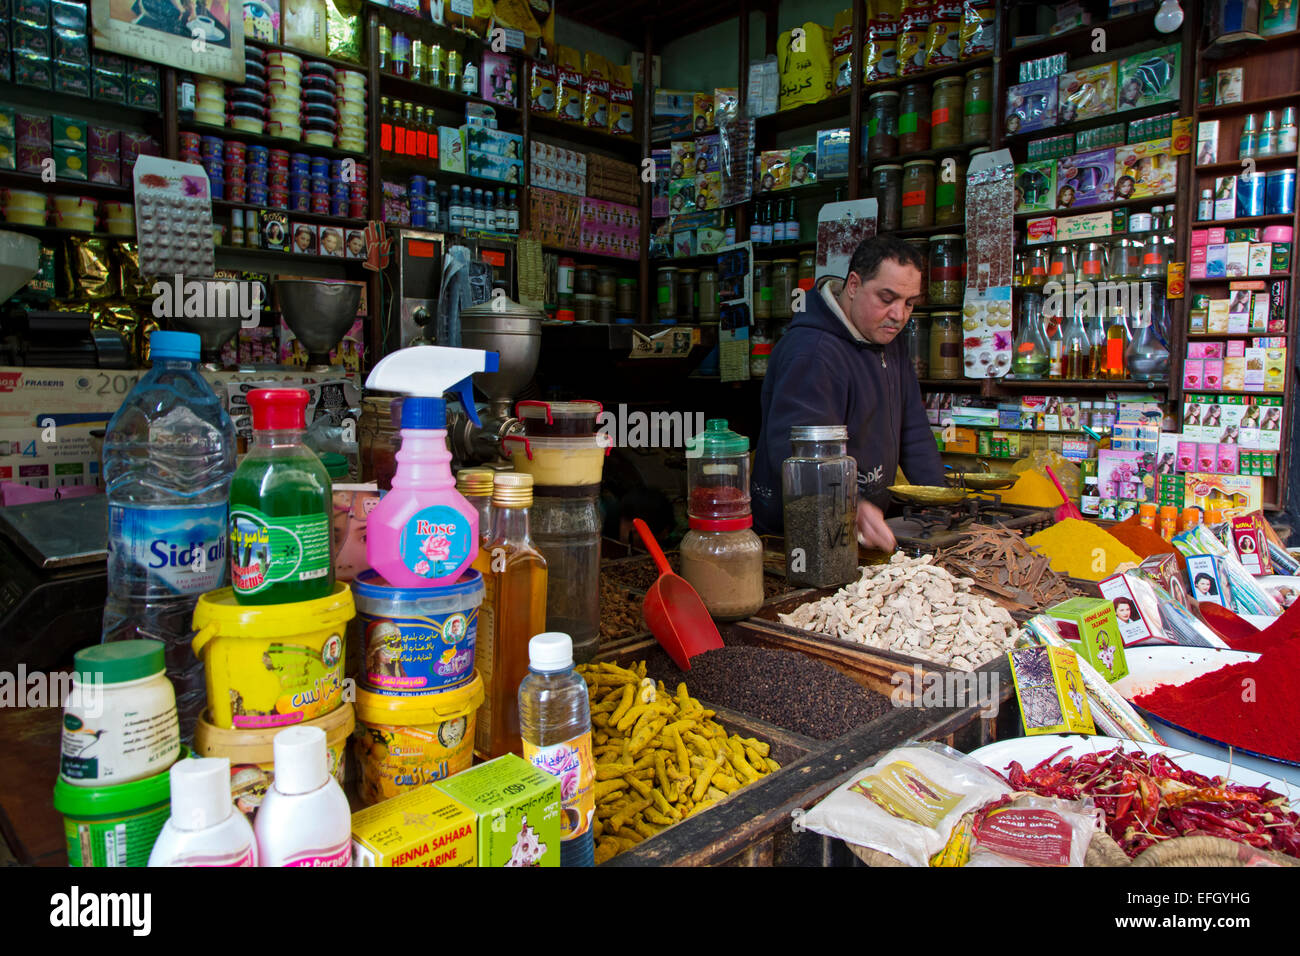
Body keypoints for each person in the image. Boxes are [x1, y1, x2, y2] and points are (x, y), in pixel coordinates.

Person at [752, 236, 944, 550]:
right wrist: (854, 504)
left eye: (909, 303)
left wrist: (939, 503)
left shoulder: (889, 341)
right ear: (853, 286)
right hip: (796, 535)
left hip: (861, 526)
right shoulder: (812, 353)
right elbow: (799, 452)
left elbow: (914, 431)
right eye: (887, 298)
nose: (899, 315)